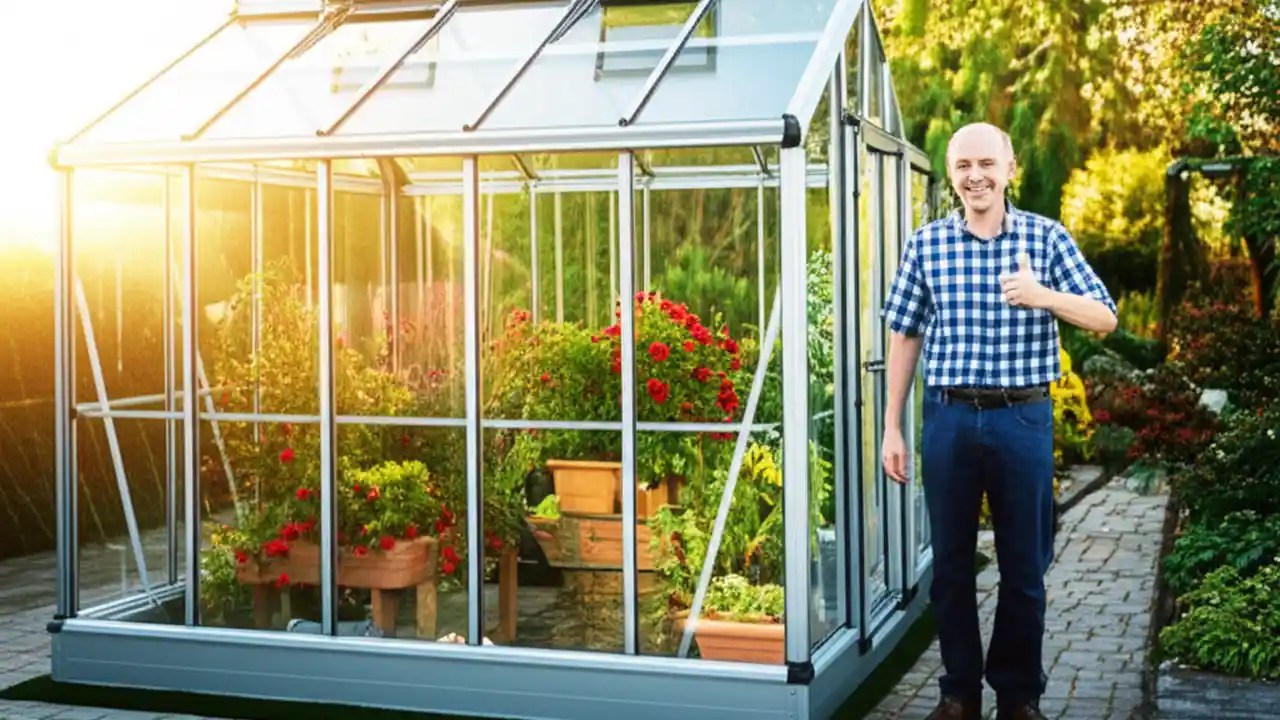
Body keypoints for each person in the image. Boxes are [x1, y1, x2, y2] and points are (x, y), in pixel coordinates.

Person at [879, 123, 1117, 720]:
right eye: (963, 165)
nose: (975, 175)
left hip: (1023, 421)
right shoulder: (926, 243)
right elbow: (903, 331)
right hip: (951, 421)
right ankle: (958, 694)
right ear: (951, 174)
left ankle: (1018, 697)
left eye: (987, 163)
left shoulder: (1047, 238)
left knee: (1024, 568)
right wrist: (892, 426)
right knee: (951, 569)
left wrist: (1043, 295)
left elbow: (1105, 317)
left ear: (1011, 167)